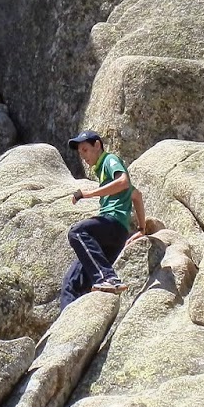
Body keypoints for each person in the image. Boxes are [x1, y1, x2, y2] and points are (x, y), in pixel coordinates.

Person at [60, 129, 148, 308]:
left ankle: (107, 278)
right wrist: (141, 229)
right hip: (110, 237)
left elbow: (123, 181)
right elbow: (136, 195)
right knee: (71, 283)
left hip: (113, 224)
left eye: (85, 150)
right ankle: (68, 326)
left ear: (97, 145)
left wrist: (88, 194)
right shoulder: (102, 173)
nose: (83, 156)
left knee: (77, 232)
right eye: (80, 152)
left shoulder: (110, 160)